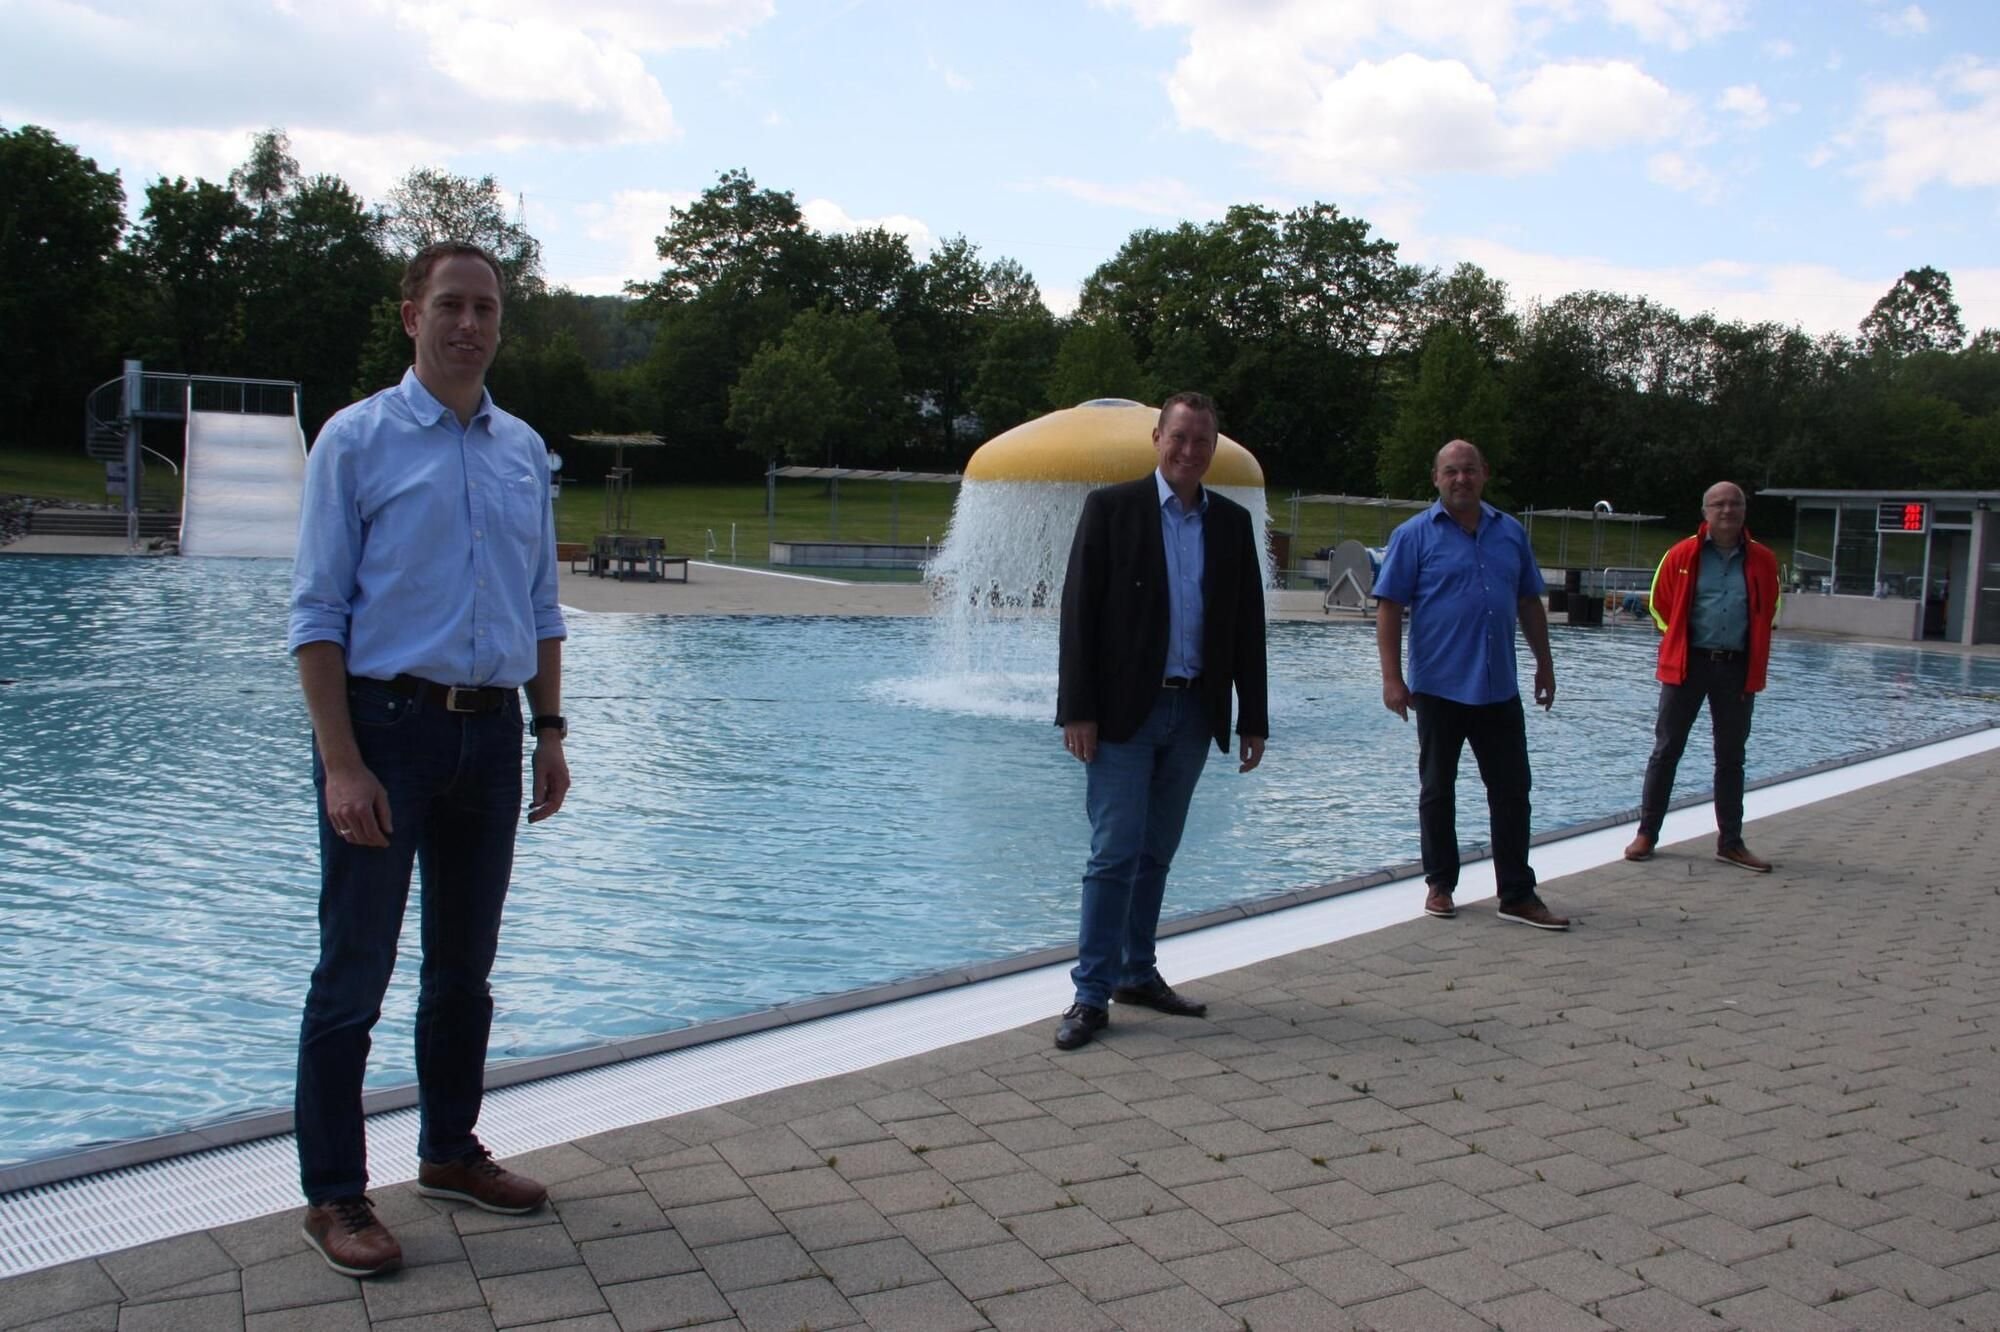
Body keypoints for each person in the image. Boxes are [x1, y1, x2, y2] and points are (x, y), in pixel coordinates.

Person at [286, 241, 571, 1277]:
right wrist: (341, 763)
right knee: (353, 973)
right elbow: (316, 615)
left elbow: (542, 607)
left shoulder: (520, 450)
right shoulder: (355, 442)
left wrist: (549, 731)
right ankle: (334, 1197)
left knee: (465, 971)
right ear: (410, 316)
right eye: (449, 305)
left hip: (490, 734)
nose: (468, 325)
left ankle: (448, 1152)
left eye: (485, 309)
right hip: (386, 731)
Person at [1052, 391, 1268, 1050]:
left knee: (1156, 855)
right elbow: (1077, 615)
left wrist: (1252, 717)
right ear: (1157, 437)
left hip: (1194, 711)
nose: (1189, 451)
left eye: (1202, 441)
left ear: (1213, 447)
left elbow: (1247, 629)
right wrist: (1078, 710)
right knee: (1113, 855)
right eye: (1179, 437)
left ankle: (1136, 972)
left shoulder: (1230, 525)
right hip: (1121, 714)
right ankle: (1090, 994)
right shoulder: (1111, 510)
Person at [1374, 440, 1568, 930]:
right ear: (1436, 479)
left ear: (1484, 473)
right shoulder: (1413, 535)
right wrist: (1392, 678)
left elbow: (1528, 601)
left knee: (1512, 791)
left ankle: (1517, 892)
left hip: (1499, 685)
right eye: (1450, 472)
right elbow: (1389, 607)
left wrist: (1544, 664)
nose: (1460, 479)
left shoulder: (1510, 533)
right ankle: (1440, 884)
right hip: (1438, 686)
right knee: (1438, 789)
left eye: (1469, 471)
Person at [1623, 481, 1781, 871]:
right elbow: (1660, 605)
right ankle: (1647, 833)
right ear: (1705, 512)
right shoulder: (1682, 554)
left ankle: (1730, 841)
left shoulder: (1763, 560)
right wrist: (1677, 643)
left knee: (1731, 756)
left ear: (1744, 510)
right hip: (1688, 665)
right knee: (1666, 750)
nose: (1727, 510)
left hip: (1736, 667)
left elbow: (1769, 608)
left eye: (1735, 504)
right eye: (1719, 504)